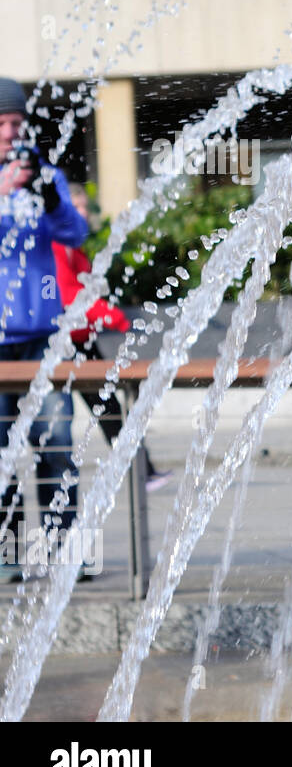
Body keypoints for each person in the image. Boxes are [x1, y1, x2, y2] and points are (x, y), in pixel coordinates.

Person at [0, 77, 90, 580]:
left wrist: (49, 199)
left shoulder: (43, 174)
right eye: (4, 124)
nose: (13, 133)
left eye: (17, 122)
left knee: (55, 441)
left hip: (40, 336)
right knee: (1, 453)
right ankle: (7, 556)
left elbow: (77, 234)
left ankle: (63, 552)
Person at [53, 183, 174, 490]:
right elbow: (67, 296)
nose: (82, 213)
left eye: (84, 207)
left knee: (108, 408)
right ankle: (139, 472)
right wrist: (113, 316)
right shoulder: (58, 244)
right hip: (65, 341)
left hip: (80, 339)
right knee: (95, 411)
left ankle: (140, 471)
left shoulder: (72, 246)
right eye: (75, 207)